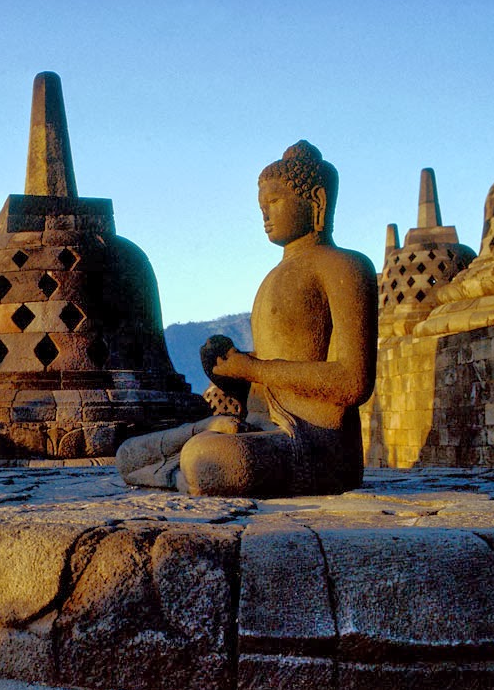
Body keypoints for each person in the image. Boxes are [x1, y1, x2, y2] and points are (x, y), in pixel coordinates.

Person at [117, 140, 377, 497]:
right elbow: (268, 378)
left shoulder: (345, 266)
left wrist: (253, 368)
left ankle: (186, 471)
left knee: (207, 457)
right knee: (128, 455)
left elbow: (353, 382)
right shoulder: (273, 277)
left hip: (313, 444)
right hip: (258, 430)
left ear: (316, 201)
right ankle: (188, 467)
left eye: (275, 202)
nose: (265, 215)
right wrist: (229, 371)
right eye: (261, 207)